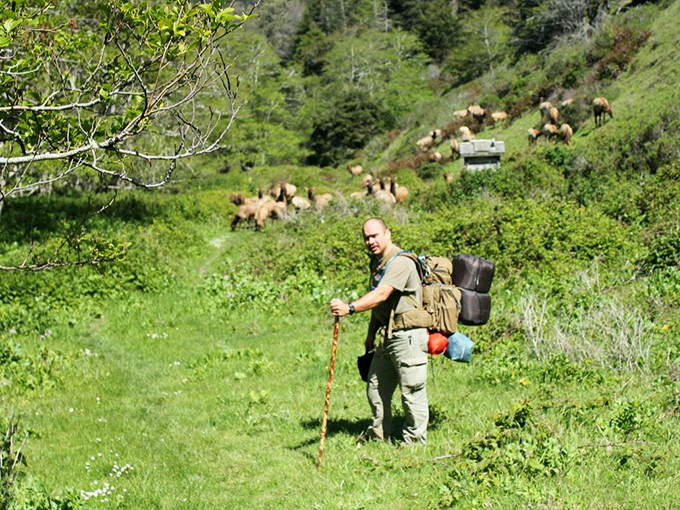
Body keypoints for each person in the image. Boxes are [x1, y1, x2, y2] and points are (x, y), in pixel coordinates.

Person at [330, 218, 429, 445]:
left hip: (408, 335)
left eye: (374, 235)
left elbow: (382, 294)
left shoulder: (401, 262)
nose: (370, 241)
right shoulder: (377, 263)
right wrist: (370, 335)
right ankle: (378, 436)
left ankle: (414, 444)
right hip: (387, 335)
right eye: (366, 237)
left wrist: (349, 308)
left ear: (388, 234)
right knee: (375, 386)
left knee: (411, 391)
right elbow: (378, 304)